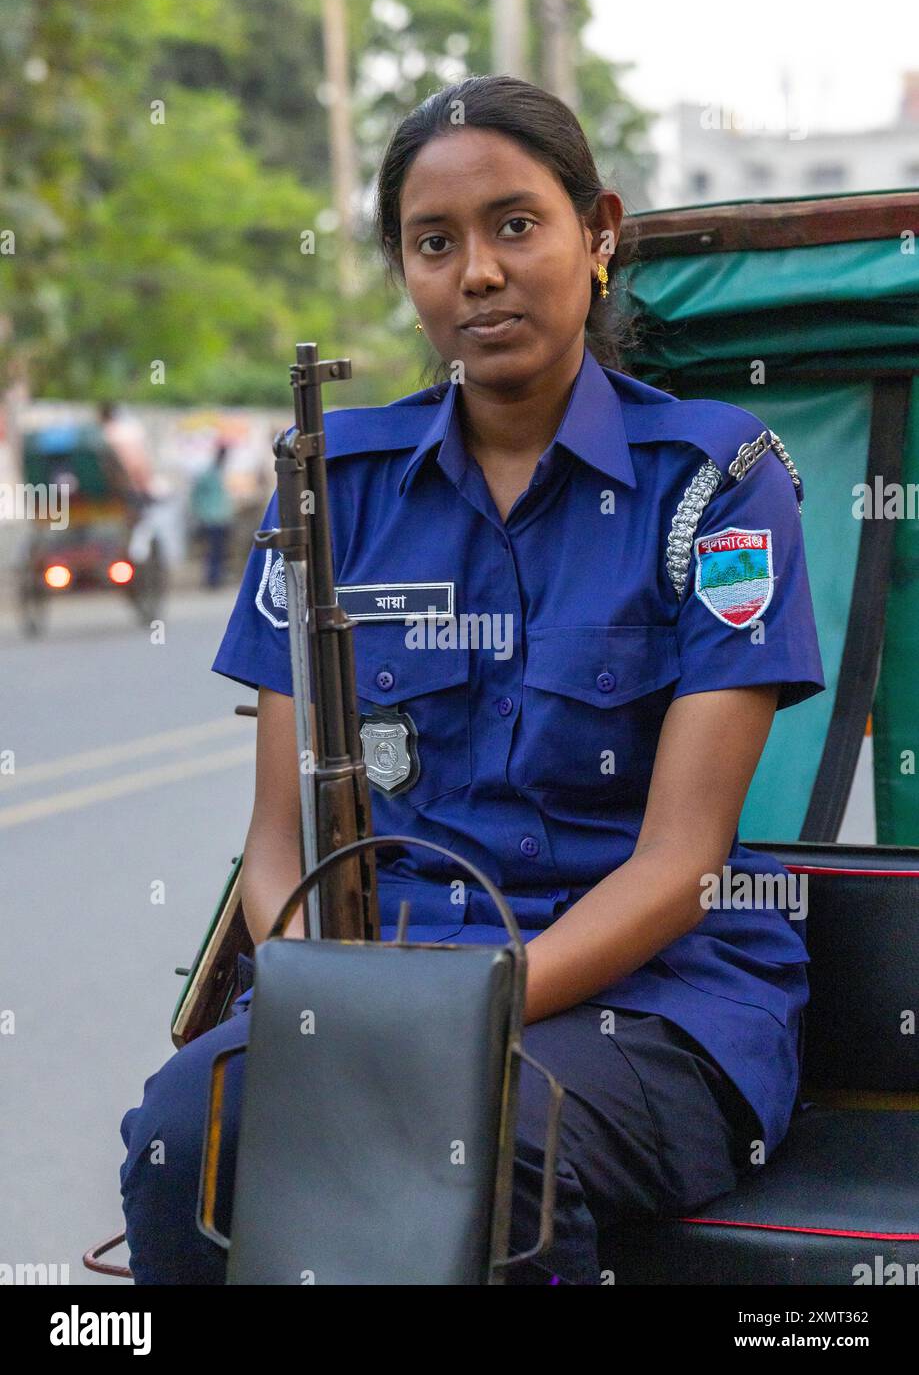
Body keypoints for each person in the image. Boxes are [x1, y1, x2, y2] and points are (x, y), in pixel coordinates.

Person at [118, 74, 825, 1285]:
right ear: (403, 271)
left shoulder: (714, 480)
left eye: (515, 224)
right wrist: (332, 994)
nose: (478, 272)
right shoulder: (329, 491)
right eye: (432, 243)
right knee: (185, 1138)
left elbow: (681, 861)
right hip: (371, 981)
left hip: (648, 1004)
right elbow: (279, 838)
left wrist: (458, 1011)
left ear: (596, 230)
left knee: (473, 1154)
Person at [190, 441, 235, 589]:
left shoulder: (218, 473)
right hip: (211, 519)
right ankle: (212, 579)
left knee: (219, 551)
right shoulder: (208, 474)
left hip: (221, 518)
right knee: (213, 551)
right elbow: (196, 495)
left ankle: (216, 578)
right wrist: (199, 513)